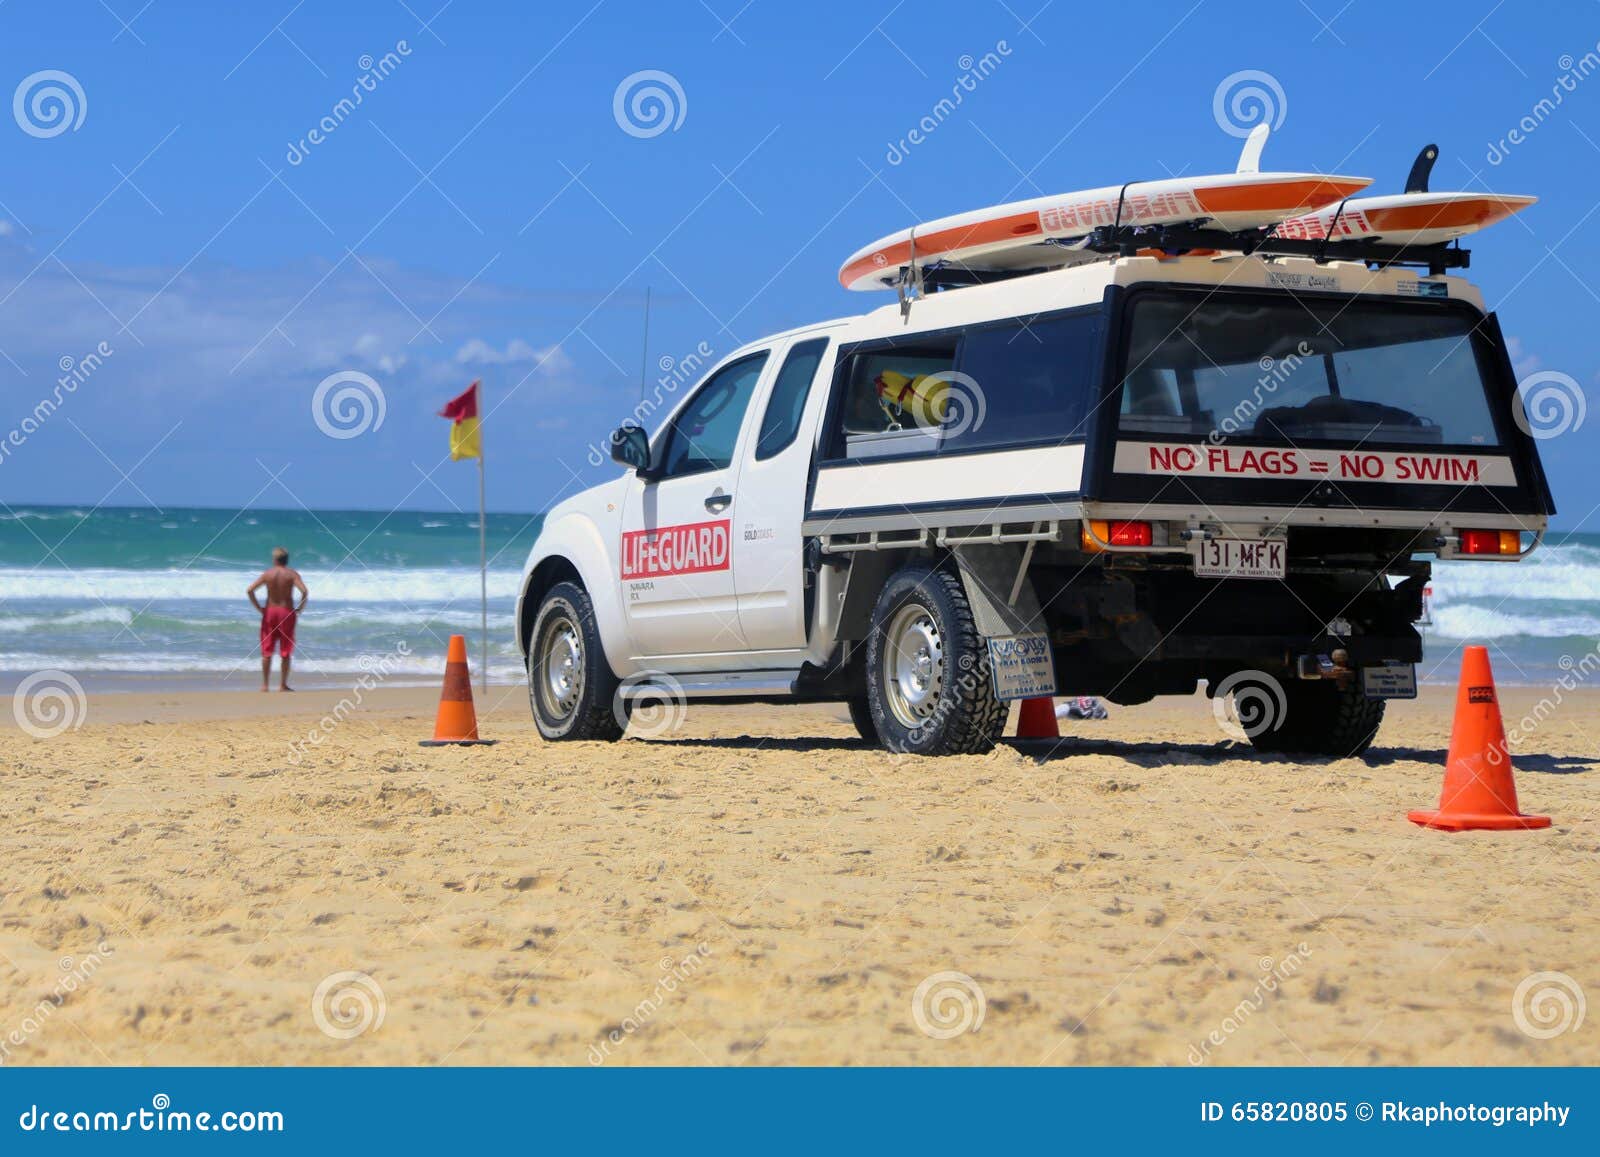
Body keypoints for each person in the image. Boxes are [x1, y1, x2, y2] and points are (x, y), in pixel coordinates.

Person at [247, 547, 308, 691]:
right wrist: (300, 608)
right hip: (286, 612)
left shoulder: (267, 574)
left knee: (267, 650)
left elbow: (250, 590)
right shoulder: (291, 574)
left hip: (270, 611)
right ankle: (282, 684)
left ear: (274, 560)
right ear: (286, 560)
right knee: (285, 650)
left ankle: (265, 685)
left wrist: (259, 608)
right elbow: (304, 591)